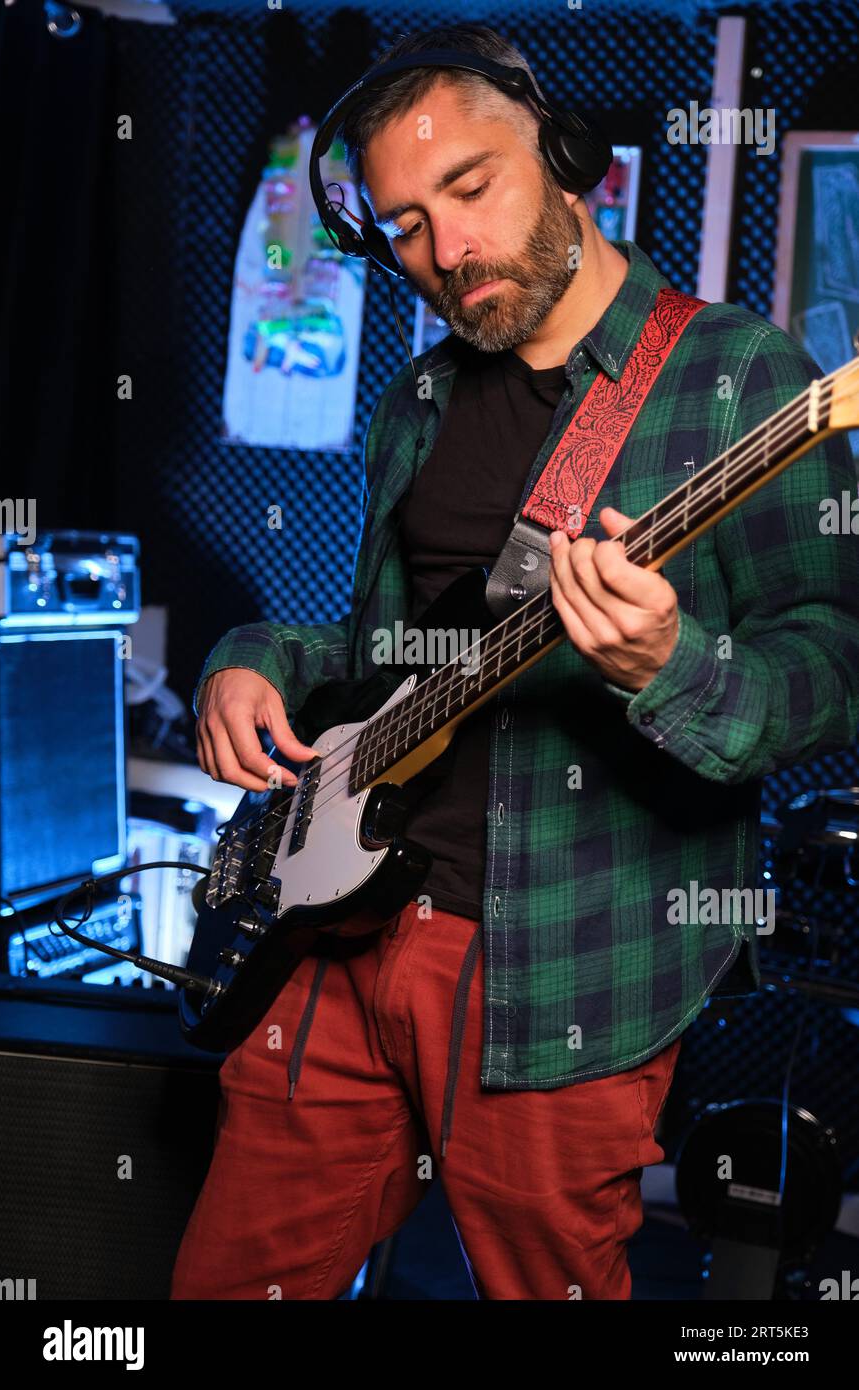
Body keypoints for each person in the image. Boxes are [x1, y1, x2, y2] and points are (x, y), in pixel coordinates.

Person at [171, 24, 859, 1301]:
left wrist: (670, 660)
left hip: (553, 960)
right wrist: (249, 655)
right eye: (407, 224)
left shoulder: (738, 378)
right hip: (336, 932)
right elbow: (378, 651)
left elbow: (834, 668)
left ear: (562, 158)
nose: (447, 251)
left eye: (471, 189)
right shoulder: (418, 399)